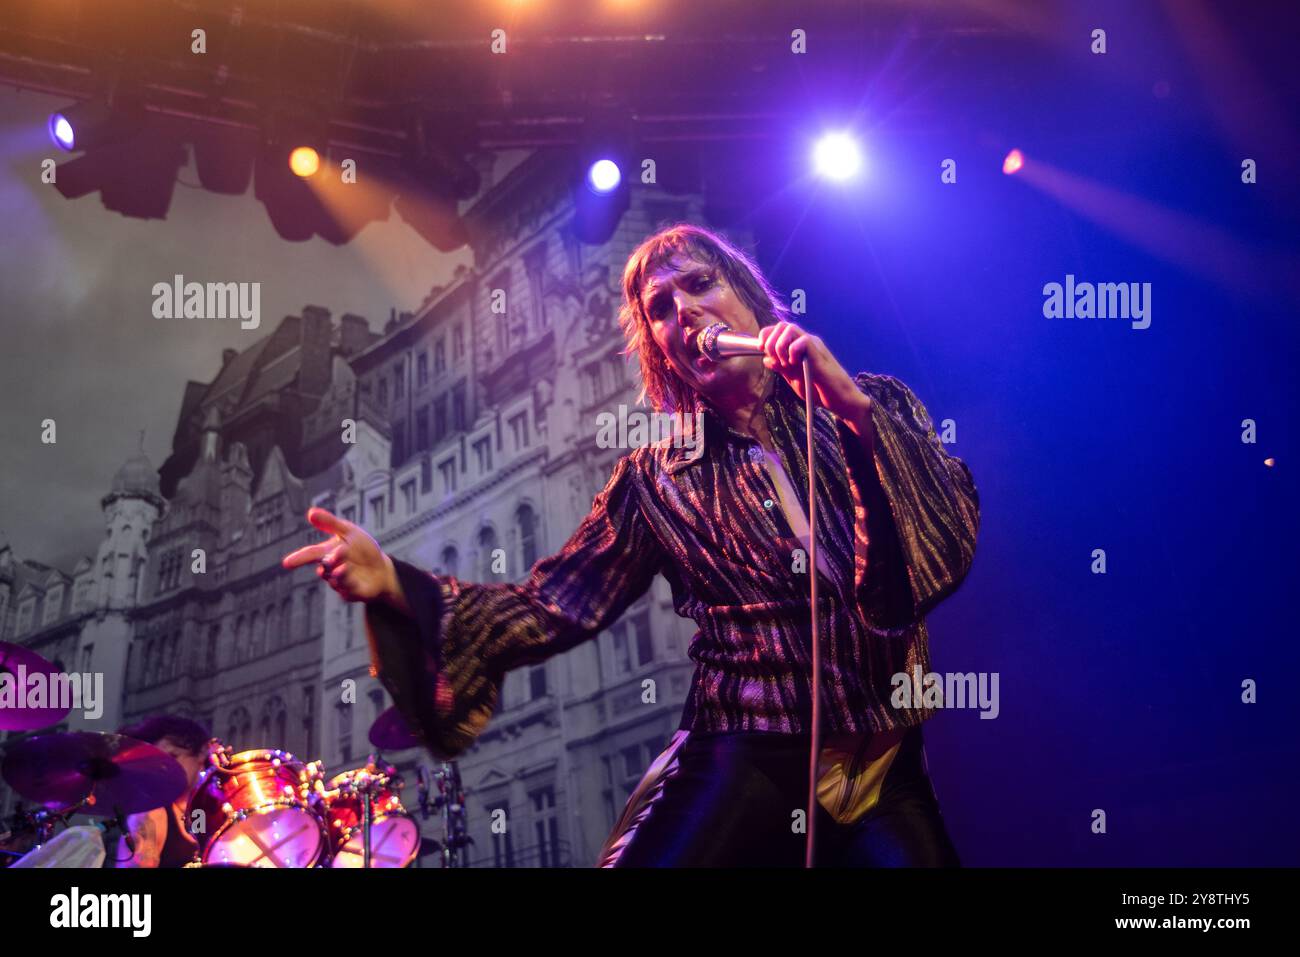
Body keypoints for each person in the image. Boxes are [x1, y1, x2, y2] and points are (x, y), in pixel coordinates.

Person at [282, 223, 980, 867]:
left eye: (701, 285)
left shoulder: (870, 405)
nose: (685, 314)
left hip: (884, 763)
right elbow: (553, 603)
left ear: (748, 296)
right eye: (661, 308)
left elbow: (926, 560)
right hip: (749, 754)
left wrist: (850, 413)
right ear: (657, 346)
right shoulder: (653, 479)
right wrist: (399, 584)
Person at [115, 715, 210, 868]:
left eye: (173, 756)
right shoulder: (151, 812)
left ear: (201, 753)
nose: (166, 768)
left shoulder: (210, 812)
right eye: (159, 762)